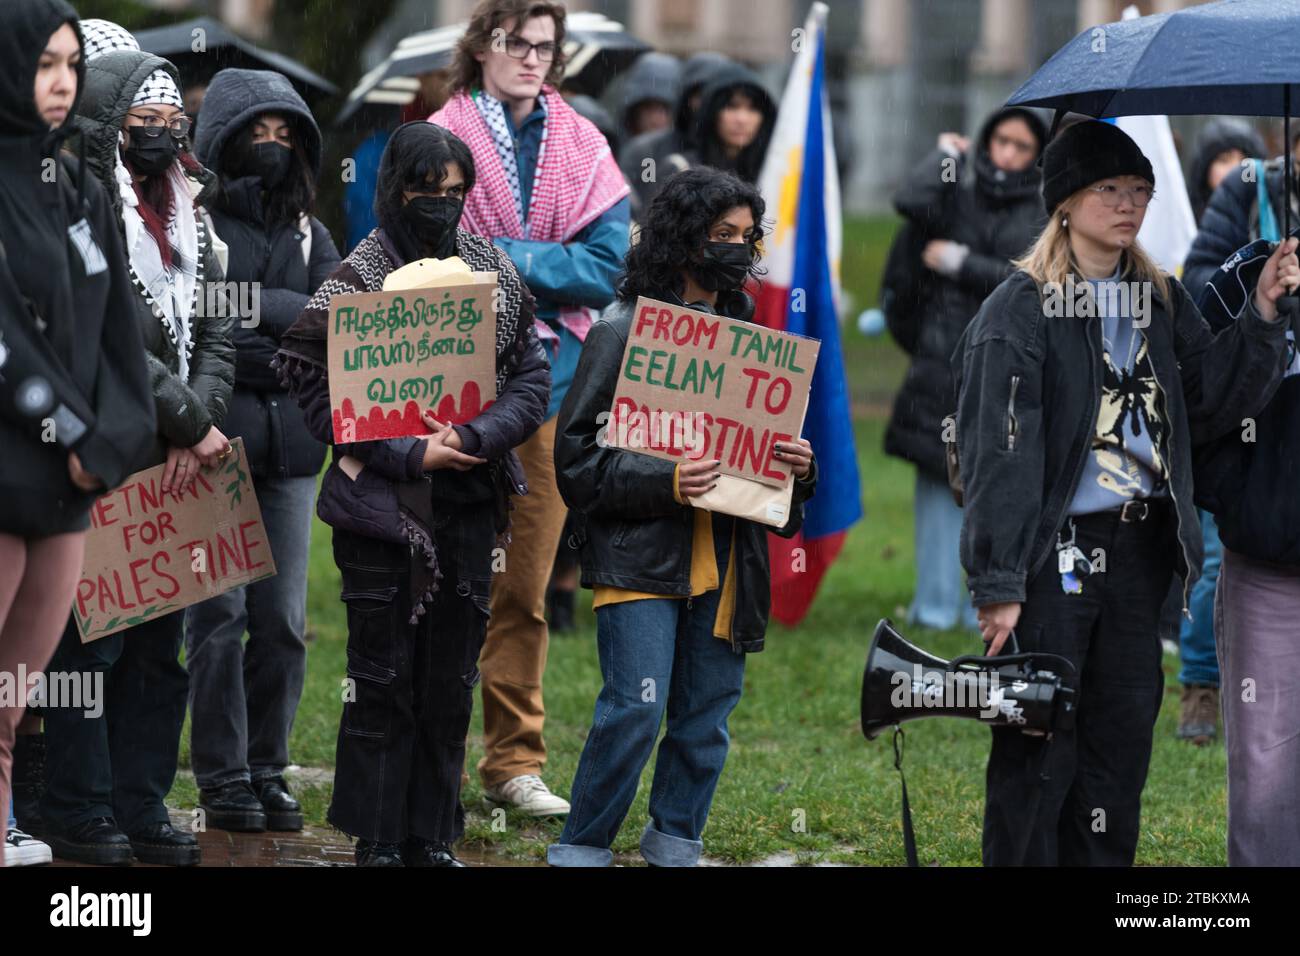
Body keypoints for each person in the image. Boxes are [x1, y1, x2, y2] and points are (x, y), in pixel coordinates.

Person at [955, 120, 1299, 867]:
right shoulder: (1021, 308)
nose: (1128, 204)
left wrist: (1264, 309)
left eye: (1139, 190)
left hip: (1139, 554)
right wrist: (999, 583)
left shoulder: (1160, 299)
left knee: (1118, 750)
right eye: (1108, 189)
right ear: (1066, 202)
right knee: (1038, 746)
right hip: (1054, 557)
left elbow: (1211, 405)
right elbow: (997, 455)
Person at [275, 121, 550, 866]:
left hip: (470, 504)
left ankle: (431, 835)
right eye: (428, 191)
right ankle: (377, 837)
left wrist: (472, 439)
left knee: (449, 679)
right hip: (381, 513)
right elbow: (308, 379)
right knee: (381, 676)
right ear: (397, 189)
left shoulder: (492, 272)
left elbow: (532, 376)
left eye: (457, 192)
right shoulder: (355, 279)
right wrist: (404, 450)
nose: (443, 204)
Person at [548, 167, 816, 866]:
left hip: (729, 564)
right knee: (635, 709)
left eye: (745, 236)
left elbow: (770, 482)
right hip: (642, 556)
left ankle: (675, 843)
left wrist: (798, 468)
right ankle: (582, 847)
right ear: (682, 235)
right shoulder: (621, 328)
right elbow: (577, 465)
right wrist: (667, 479)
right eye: (719, 233)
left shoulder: (748, 337)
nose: (735, 246)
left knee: (705, 718)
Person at [38, 27, 235, 867]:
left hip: (189, 459)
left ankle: (141, 800)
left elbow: (221, 326)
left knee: (163, 648)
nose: (160, 130)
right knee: (94, 642)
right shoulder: (78, 207)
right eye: (140, 116)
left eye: (170, 115)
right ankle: (77, 807)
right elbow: (112, 330)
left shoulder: (198, 215)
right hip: (110, 451)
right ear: (106, 122)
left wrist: (206, 420)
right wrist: (192, 422)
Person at [430, 0, 629, 818]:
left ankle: (513, 764)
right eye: (517, 43)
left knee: (526, 584)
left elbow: (608, 266)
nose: (533, 58)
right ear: (482, 46)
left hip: (550, 384)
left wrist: (503, 257)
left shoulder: (585, 144)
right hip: (448, 382)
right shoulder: (439, 136)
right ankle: (429, 755)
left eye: (547, 47)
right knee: (441, 579)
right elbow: (425, 248)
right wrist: (543, 263)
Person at [0, 0, 154, 862]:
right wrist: (71, 434)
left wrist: (112, 445)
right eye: (40, 64)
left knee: (9, 703)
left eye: (70, 64)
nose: (59, 83)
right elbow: (7, 346)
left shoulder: (83, 191)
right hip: (12, 473)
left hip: (67, 494)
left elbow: (117, 340)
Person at [185, 67, 342, 833]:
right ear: (223, 139)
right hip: (211, 449)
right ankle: (220, 778)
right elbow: (202, 321)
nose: (272, 146)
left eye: (286, 134)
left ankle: (267, 768)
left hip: (292, 461)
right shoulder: (194, 225)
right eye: (258, 132)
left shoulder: (315, 232)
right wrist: (287, 323)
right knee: (217, 616)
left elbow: (335, 325)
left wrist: (266, 322)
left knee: (280, 620)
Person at [886, 107, 1047, 633]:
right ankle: (934, 608)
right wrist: (945, 157)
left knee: (995, 490)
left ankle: (985, 602)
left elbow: (1038, 279)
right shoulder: (957, 190)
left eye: (1022, 147)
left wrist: (964, 264)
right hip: (940, 365)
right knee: (937, 484)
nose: (1007, 154)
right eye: (1000, 140)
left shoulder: (1043, 210)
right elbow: (909, 203)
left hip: (1009, 368)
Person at [1191, 205, 1300, 866]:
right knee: (1265, 773)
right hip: (1267, 569)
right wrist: (1265, 312)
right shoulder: (1241, 277)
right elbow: (1201, 405)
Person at [1174, 118, 1268, 745]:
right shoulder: (1249, 194)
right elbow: (1201, 287)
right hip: (1241, 406)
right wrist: (1262, 278)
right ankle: (1202, 686)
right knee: (1217, 560)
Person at [1184, 128, 1300, 294]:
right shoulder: (1245, 192)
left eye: (1244, 160)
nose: (1236, 167)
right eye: (1224, 160)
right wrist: (1256, 282)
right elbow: (1194, 281)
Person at [619, 51, 732, 220]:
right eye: (648, 108)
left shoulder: (738, 147)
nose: (656, 118)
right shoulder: (646, 152)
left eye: (664, 108)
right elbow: (643, 206)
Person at [618, 51, 680, 143]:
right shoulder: (610, 150)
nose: (655, 120)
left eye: (664, 110)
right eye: (648, 109)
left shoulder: (687, 154)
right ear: (634, 112)